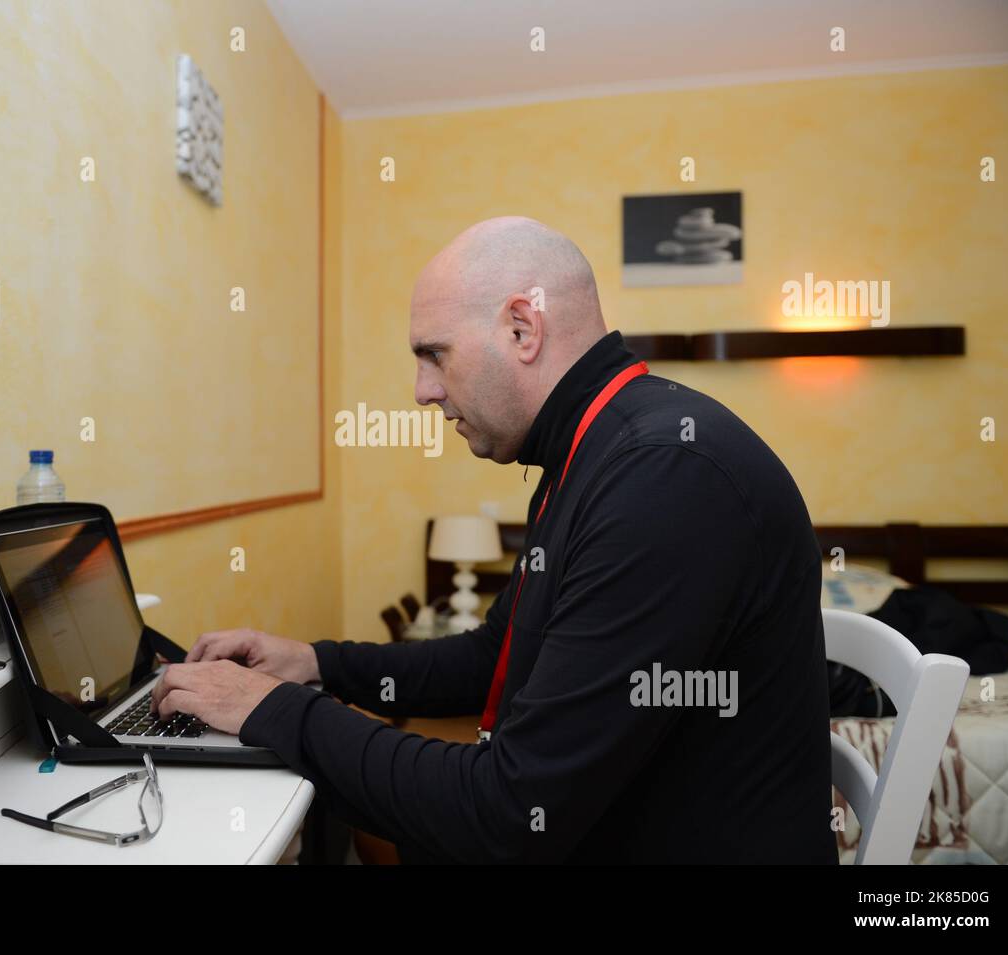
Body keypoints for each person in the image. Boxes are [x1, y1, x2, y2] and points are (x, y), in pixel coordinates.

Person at [153, 216, 838, 864]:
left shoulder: (665, 476)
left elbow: (512, 811)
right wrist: (316, 663)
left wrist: (269, 709)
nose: (422, 391)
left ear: (521, 328)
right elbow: (497, 656)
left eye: (434, 355)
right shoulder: (591, 451)